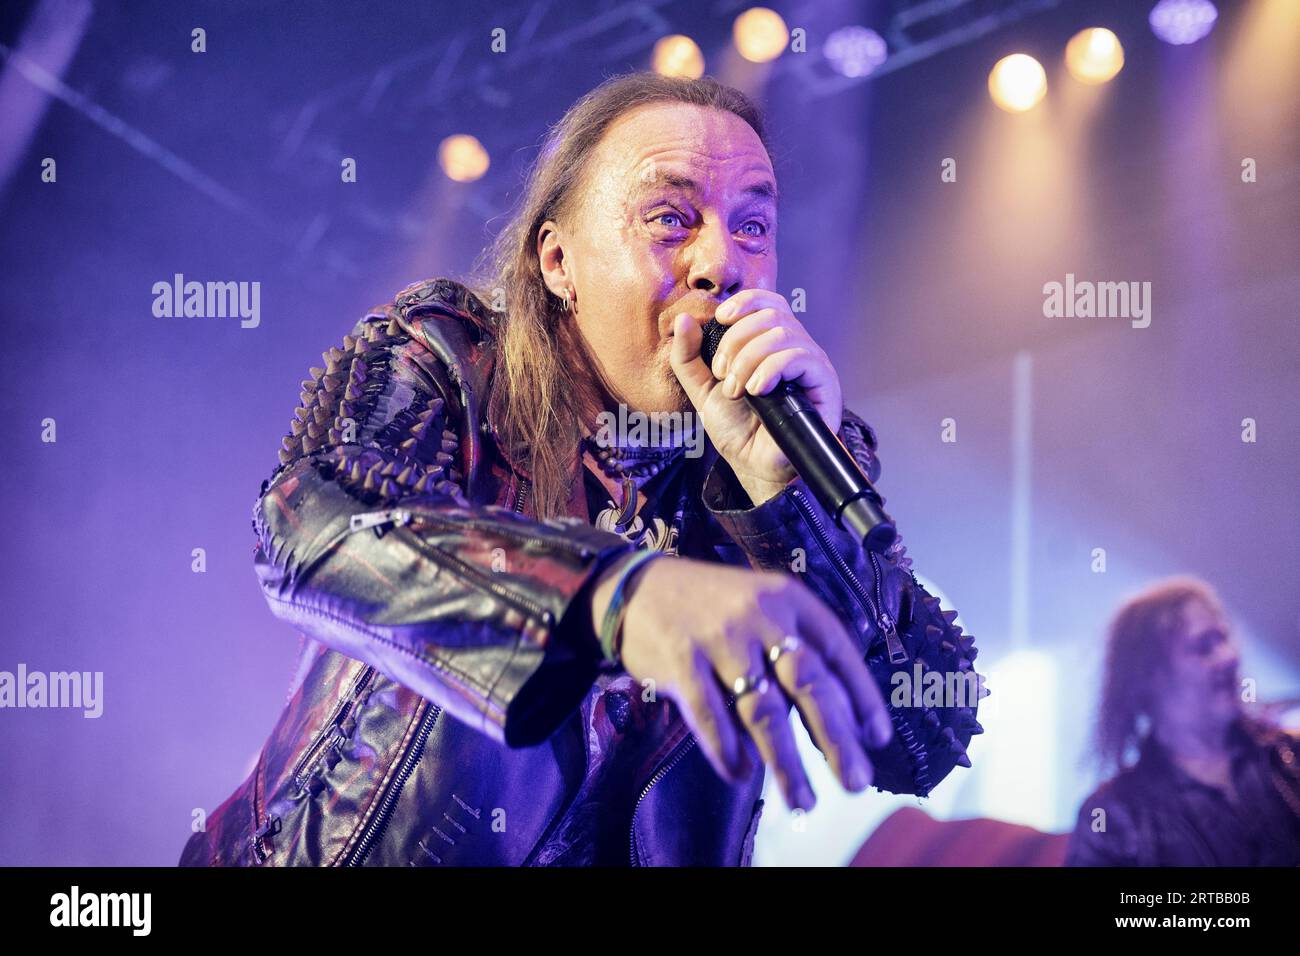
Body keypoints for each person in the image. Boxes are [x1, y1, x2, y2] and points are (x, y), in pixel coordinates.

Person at [180, 72, 981, 867]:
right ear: (558, 261)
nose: (721, 264)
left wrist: (783, 500)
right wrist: (614, 598)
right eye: (671, 219)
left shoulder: (794, 452)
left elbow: (920, 739)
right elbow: (311, 526)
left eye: (753, 226)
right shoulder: (449, 362)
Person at [1067, 577, 1300, 866]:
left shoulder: (1289, 758)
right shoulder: (1115, 819)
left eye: (1224, 638)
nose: (1228, 657)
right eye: (1204, 647)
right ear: (1151, 676)